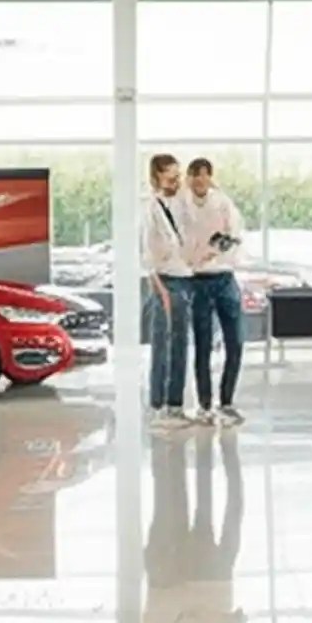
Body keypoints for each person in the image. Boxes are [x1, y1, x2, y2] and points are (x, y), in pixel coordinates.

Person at [183, 158, 246, 428]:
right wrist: (201, 252)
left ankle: (227, 402)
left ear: (210, 177)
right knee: (203, 344)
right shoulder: (181, 206)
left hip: (224, 278)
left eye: (204, 176)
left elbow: (233, 235)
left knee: (236, 341)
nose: (200, 181)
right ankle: (204, 405)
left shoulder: (222, 202)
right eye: (195, 176)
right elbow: (185, 245)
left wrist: (215, 248)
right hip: (197, 280)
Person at [143, 153, 194, 430]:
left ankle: (175, 406)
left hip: (185, 279)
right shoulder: (152, 210)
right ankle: (158, 406)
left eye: (178, 175)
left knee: (180, 346)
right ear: (156, 178)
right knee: (163, 345)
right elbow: (148, 258)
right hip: (166, 282)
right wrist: (160, 290)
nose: (176, 181)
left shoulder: (182, 203)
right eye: (170, 177)